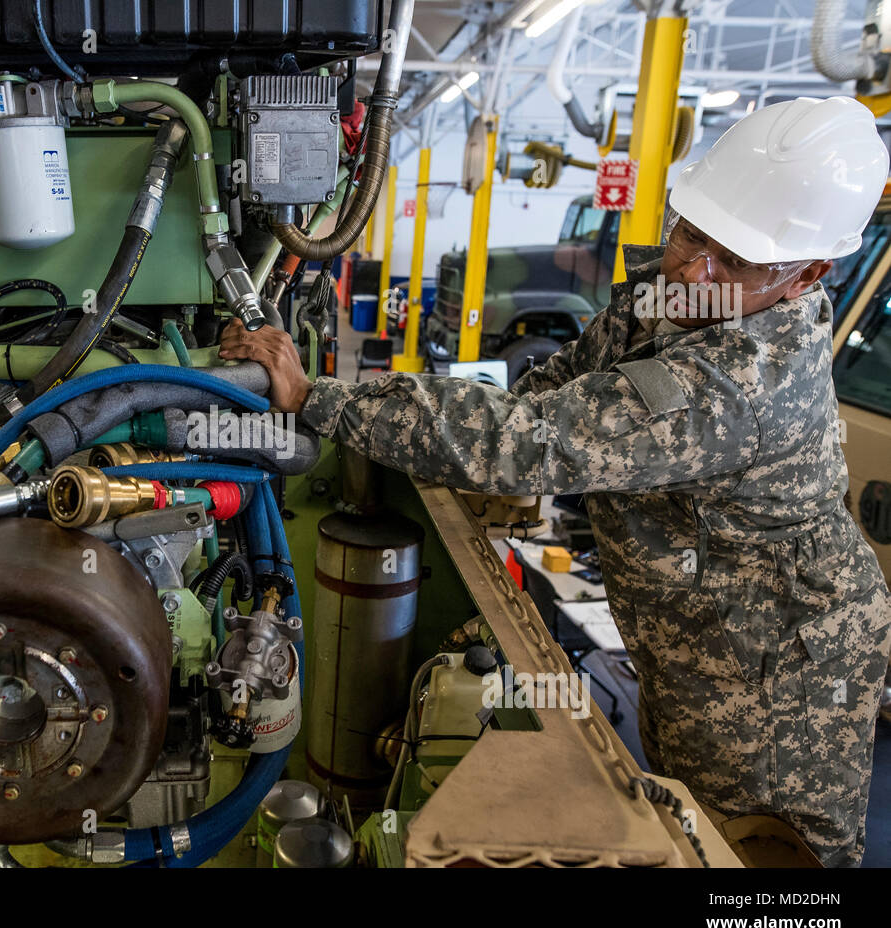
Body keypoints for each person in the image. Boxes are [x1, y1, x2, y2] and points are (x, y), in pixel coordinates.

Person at [221, 96, 891, 867]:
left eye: (731, 259)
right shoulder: (684, 298)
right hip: (697, 639)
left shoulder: (743, 386)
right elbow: (546, 397)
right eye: (689, 230)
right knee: (686, 812)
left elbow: (532, 442)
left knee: (755, 862)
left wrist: (317, 397)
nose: (689, 266)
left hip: (782, 673)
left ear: (809, 272)